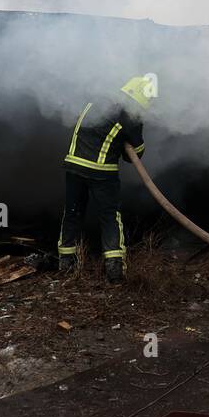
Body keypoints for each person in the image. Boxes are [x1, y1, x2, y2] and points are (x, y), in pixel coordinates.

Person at [57, 76, 151, 283]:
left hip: (73, 165)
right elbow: (135, 154)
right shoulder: (131, 116)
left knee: (72, 213)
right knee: (110, 217)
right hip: (102, 172)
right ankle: (114, 269)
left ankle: (65, 263)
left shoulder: (96, 101)